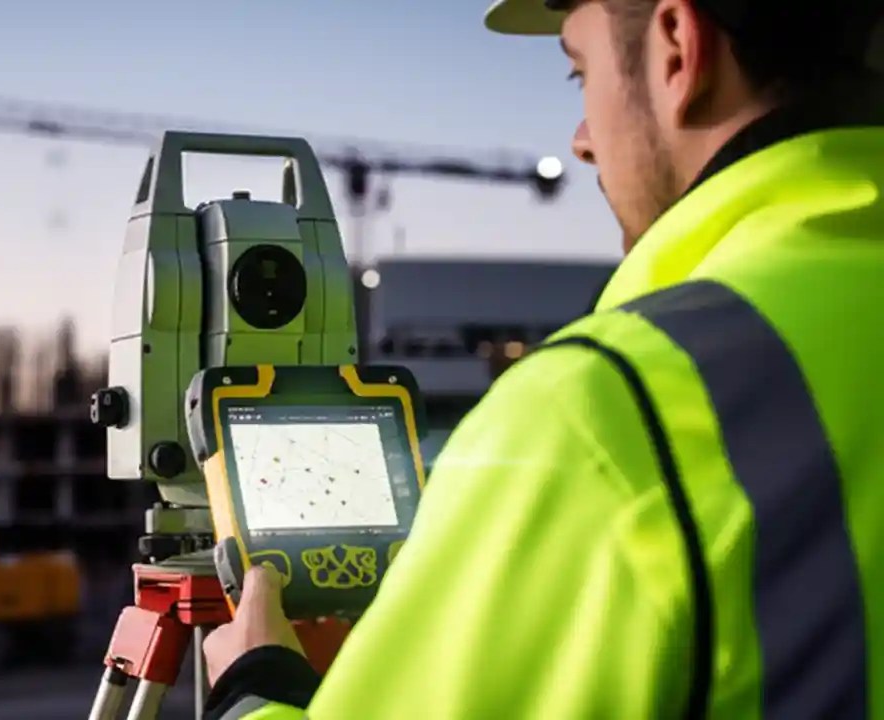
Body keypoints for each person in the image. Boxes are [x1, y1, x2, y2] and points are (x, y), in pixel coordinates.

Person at [201, 0, 884, 718]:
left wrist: (256, 687)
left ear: (678, 50)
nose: (583, 140)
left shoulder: (606, 412)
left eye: (577, 71)